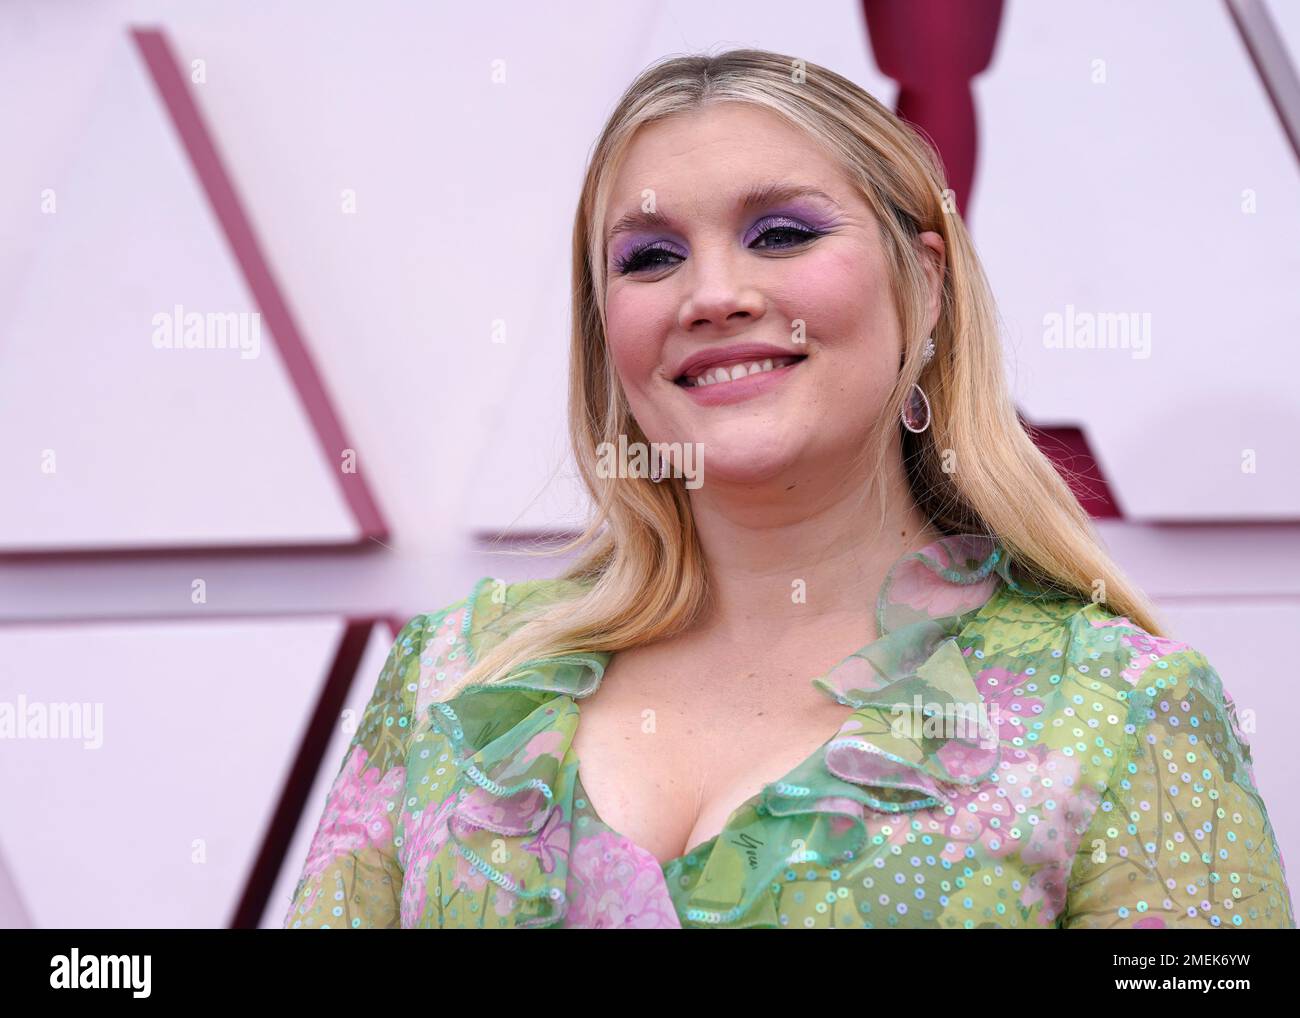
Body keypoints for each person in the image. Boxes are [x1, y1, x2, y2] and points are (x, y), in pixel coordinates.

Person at [283, 49, 1294, 929]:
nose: (713, 293)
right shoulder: (453, 679)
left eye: (781, 234)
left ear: (924, 284)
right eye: (650, 257)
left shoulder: (1119, 709)